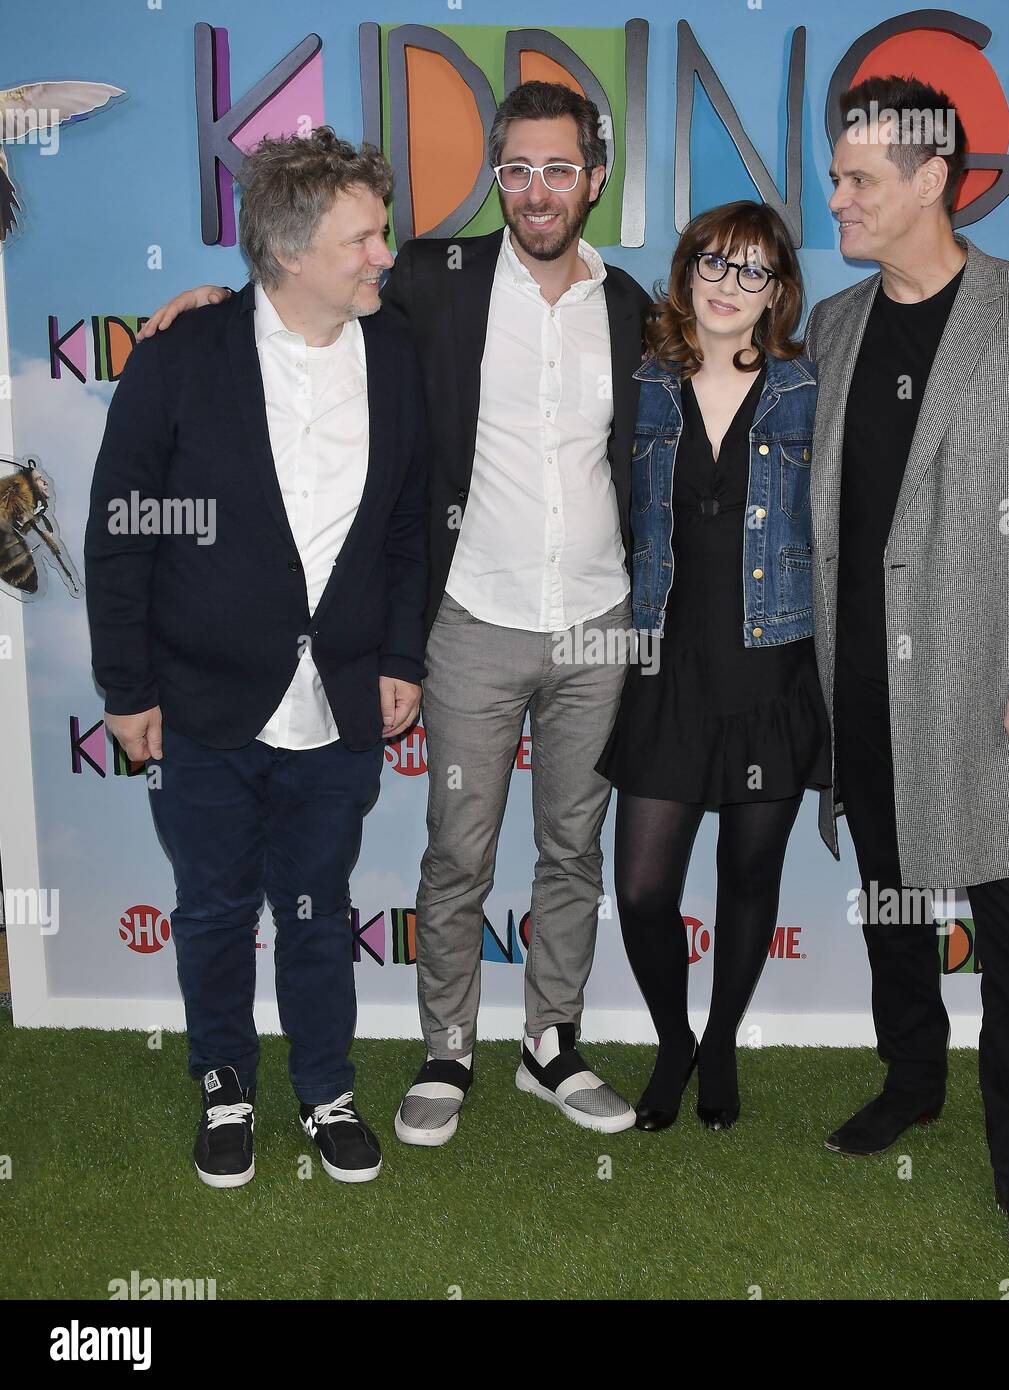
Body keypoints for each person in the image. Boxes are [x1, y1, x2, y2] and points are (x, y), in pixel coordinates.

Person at [141, 82, 652, 1142]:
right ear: (496, 179)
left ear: (594, 181)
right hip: (467, 619)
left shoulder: (631, 306)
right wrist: (200, 305)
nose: (538, 190)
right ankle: (447, 1050)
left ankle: (549, 1041)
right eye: (517, 169)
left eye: (560, 168)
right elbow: (297, 295)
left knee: (573, 846)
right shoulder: (433, 277)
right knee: (456, 849)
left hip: (599, 621)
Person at [809, 75, 1009, 1270]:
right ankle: (912, 1079)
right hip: (862, 684)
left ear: (934, 179)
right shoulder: (834, 324)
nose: (835, 198)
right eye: (837, 176)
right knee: (893, 903)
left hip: (998, 684)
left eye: (859, 181)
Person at [84, 128, 429, 1186]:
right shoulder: (186, 355)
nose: (386, 253)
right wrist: (127, 689)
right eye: (365, 237)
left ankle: (326, 1090)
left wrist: (403, 654)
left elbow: (414, 523)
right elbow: (121, 525)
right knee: (216, 910)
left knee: (321, 910)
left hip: (339, 699)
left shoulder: (401, 349)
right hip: (200, 703)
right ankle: (223, 1082)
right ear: (289, 252)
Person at [596, 200, 830, 1131]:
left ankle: (723, 1038)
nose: (731, 287)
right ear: (686, 270)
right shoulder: (643, 378)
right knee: (645, 889)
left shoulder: (807, 387)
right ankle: (673, 1040)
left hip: (772, 666)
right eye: (715, 265)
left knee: (748, 874)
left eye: (755, 271)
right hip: (664, 665)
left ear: (778, 291)